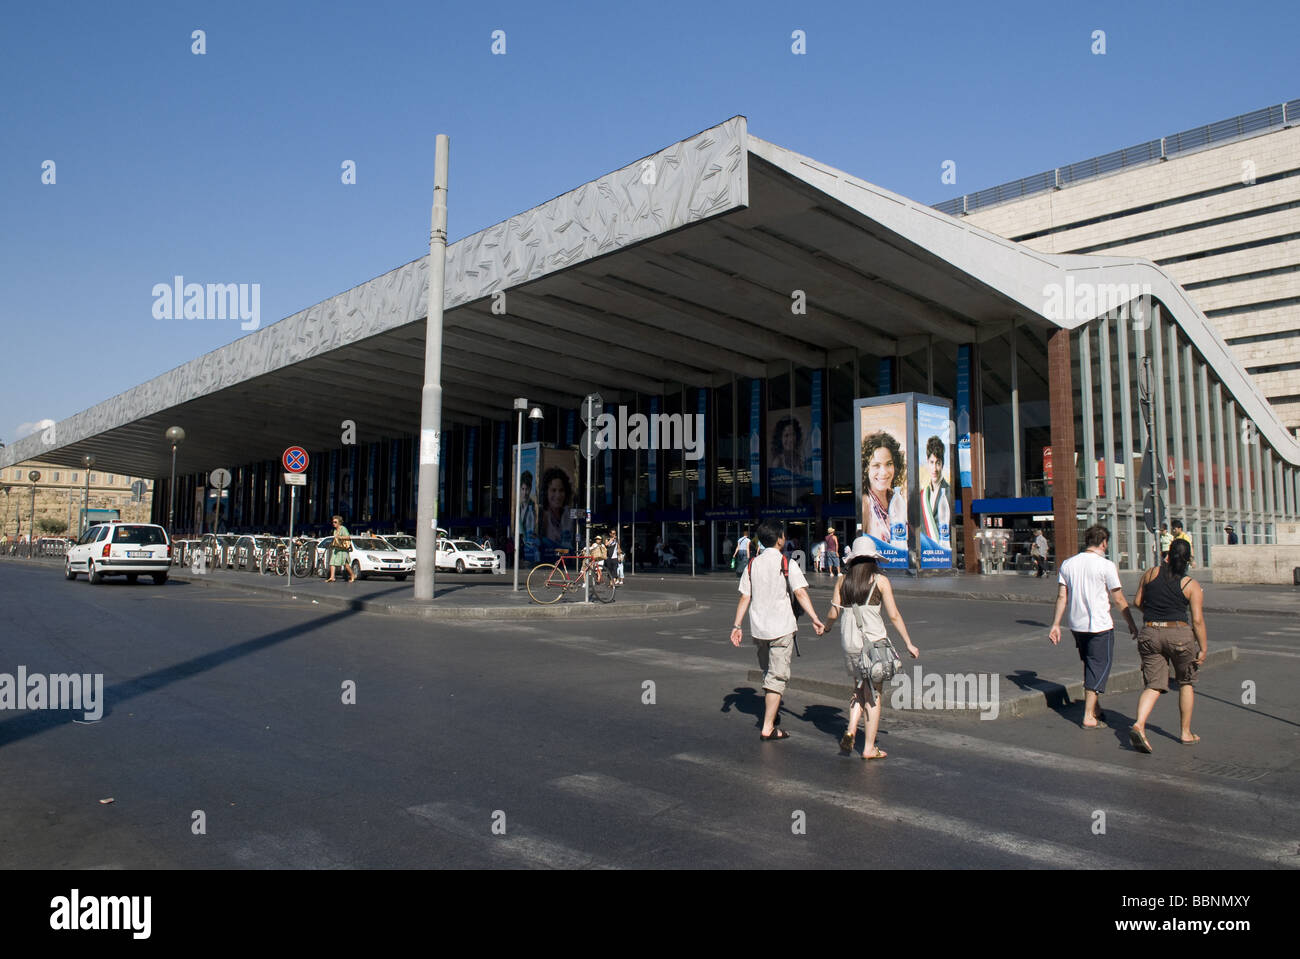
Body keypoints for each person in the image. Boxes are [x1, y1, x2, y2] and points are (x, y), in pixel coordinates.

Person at [730, 520, 827, 740]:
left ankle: (770, 712)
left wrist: (737, 625)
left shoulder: (752, 565)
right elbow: (800, 593)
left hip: (759, 630)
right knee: (777, 677)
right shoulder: (787, 563)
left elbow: (745, 596)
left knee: (769, 673)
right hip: (782, 628)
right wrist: (814, 618)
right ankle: (768, 726)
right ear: (780, 538)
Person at [826, 537, 919, 759]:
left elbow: (833, 613)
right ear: (873, 559)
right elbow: (894, 615)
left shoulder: (842, 581)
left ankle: (850, 730)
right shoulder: (880, 581)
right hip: (874, 646)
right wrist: (908, 643)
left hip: (850, 645)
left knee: (858, 688)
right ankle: (868, 748)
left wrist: (825, 628)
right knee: (874, 695)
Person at [1049, 525, 1138, 728]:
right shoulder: (1106, 565)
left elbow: (1062, 596)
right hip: (1099, 626)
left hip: (1076, 625)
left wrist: (1055, 624)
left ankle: (1095, 707)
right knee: (1099, 667)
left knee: (1090, 664)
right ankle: (1089, 716)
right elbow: (1119, 599)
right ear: (1104, 542)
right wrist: (1131, 623)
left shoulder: (1068, 564)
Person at [1127, 538, 1207, 753]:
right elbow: (1197, 621)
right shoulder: (1191, 585)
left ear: (1168, 555)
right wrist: (1204, 647)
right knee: (1185, 682)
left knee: (1153, 684)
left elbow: (1137, 602)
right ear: (1189, 559)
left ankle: (1139, 724)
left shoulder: (1151, 573)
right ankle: (1185, 733)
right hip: (1179, 634)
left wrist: (1153, 617)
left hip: (1150, 632)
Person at [861, 430, 907, 546]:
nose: (884, 472)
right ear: (866, 469)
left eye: (889, 464)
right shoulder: (866, 503)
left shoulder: (897, 499)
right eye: (876, 465)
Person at [537, 467, 574, 561]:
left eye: (561, 490)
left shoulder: (568, 515)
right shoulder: (543, 517)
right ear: (546, 492)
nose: (558, 496)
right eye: (553, 490)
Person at [920, 436, 951, 542]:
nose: (934, 469)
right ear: (927, 462)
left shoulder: (949, 492)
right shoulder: (923, 494)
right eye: (932, 462)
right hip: (926, 553)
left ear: (942, 464)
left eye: (938, 463)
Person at [326, 515, 356, 584]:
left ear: (339, 522)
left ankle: (352, 575)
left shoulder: (343, 528)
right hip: (337, 549)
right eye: (333, 522)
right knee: (332, 562)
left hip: (343, 550)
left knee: (346, 564)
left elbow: (348, 537)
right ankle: (332, 577)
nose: (334, 523)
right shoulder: (335, 530)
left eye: (335, 522)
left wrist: (340, 537)